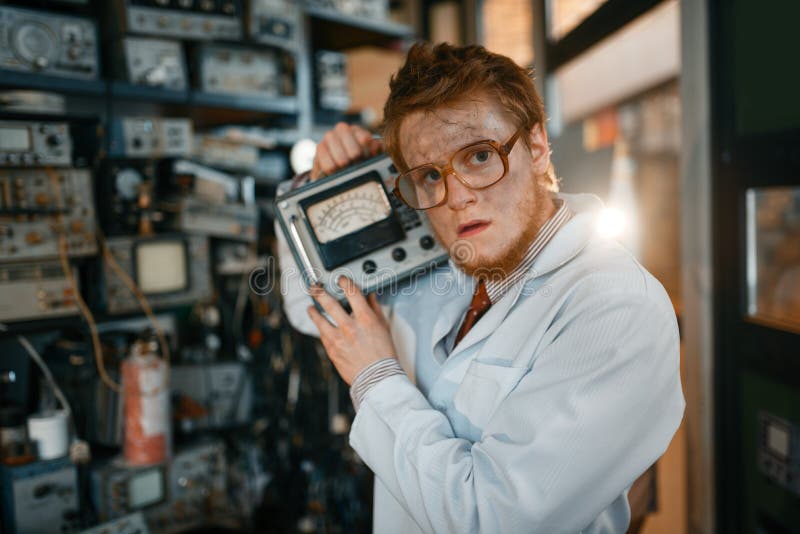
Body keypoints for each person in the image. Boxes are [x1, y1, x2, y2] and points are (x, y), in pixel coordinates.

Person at [277, 42, 684, 533]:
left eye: (479, 156)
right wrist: (323, 186)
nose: (457, 197)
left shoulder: (617, 310)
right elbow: (311, 307)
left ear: (536, 147)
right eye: (429, 174)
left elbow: (493, 520)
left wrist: (376, 379)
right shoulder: (443, 261)